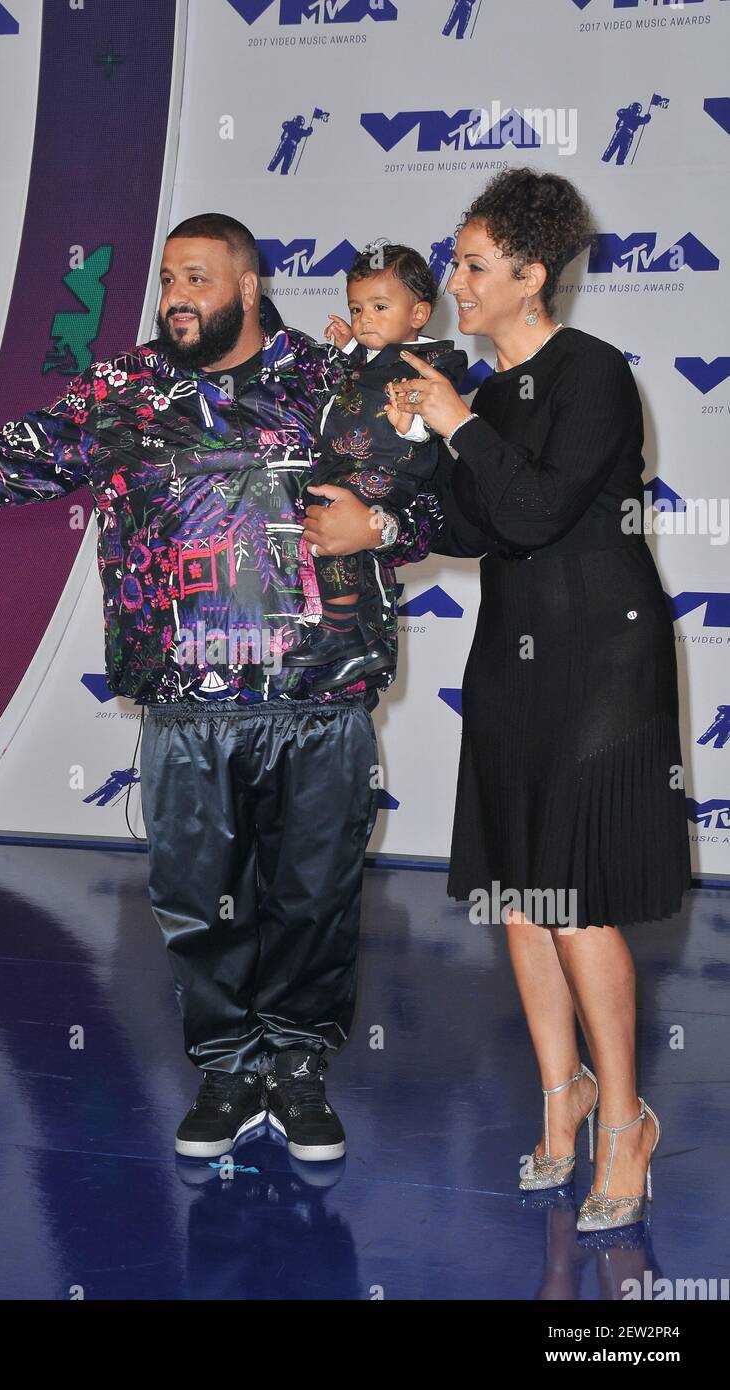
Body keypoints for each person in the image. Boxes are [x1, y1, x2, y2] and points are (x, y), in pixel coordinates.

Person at [0, 213, 441, 1164]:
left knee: (314, 895)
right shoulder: (123, 390)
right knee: (197, 897)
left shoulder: (337, 381)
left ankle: (296, 1065)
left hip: (317, 690)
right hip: (183, 703)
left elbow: (436, 492)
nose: (175, 297)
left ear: (250, 288)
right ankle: (227, 1067)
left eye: (198, 278)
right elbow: (8, 460)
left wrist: (389, 530)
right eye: (167, 279)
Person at [382, 167, 692, 1231]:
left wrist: (456, 421)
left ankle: (624, 1125)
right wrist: (419, 451)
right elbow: (472, 527)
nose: (452, 282)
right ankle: (561, 1101)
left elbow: (538, 508)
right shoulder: (481, 389)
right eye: (455, 262)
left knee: (574, 897)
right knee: (521, 898)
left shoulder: (591, 373)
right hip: (510, 656)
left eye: (471, 266)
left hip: (601, 660)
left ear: (529, 274)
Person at [282, 240, 468, 693]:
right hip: (346, 467)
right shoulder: (366, 358)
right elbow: (361, 379)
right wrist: (347, 349)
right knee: (333, 543)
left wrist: (411, 425)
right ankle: (361, 641)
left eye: (380, 306)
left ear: (418, 315)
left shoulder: (430, 362)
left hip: (387, 470)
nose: (364, 317)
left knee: (333, 536)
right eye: (357, 307)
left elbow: (429, 426)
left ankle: (344, 633)